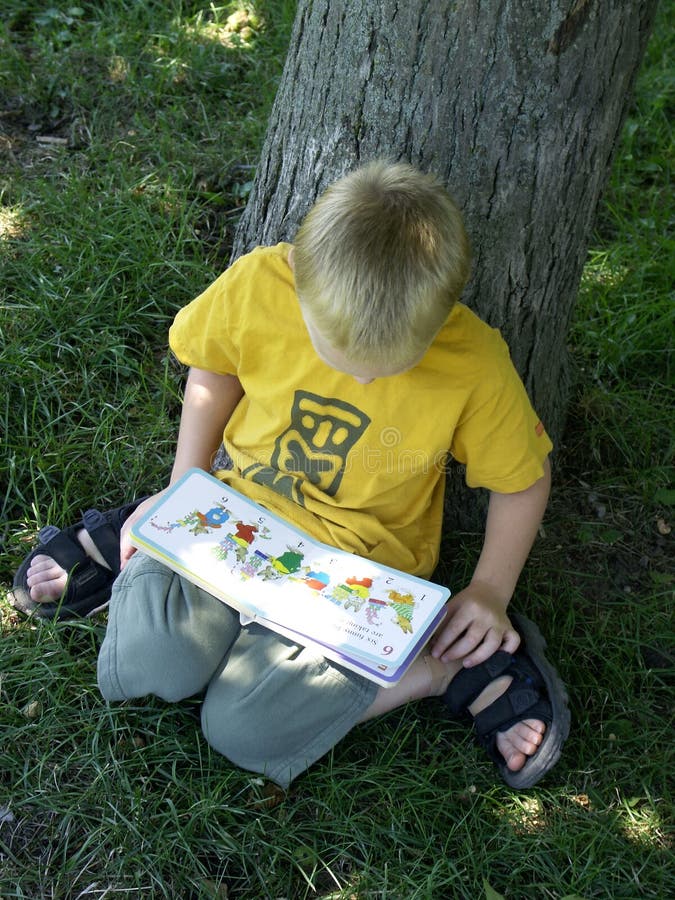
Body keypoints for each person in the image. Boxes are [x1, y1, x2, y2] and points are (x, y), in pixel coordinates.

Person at [12, 161, 569, 790]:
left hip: (358, 572)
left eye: (388, 370)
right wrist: (183, 486)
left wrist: (491, 590)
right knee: (153, 666)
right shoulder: (262, 283)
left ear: (442, 322)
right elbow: (214, 367)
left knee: (243, 730)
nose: (361, 383)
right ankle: (138, 524)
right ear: (297, 280)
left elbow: (522, 478)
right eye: (343, 360)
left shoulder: (473, 360)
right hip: (233, 516)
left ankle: (442, 665)